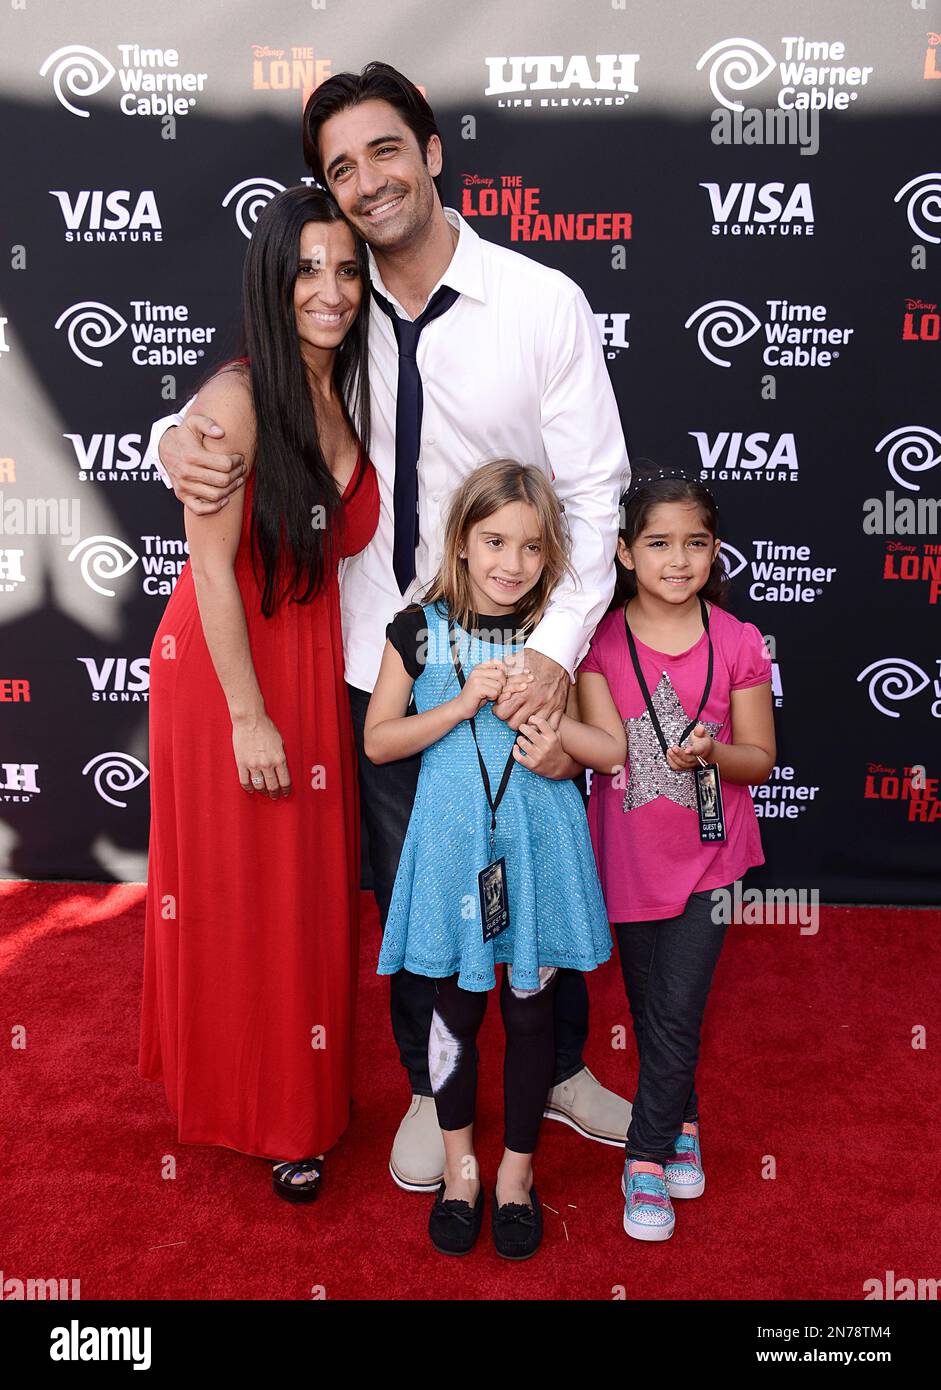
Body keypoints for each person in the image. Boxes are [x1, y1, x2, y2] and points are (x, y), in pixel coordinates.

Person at [144, 61, 632, 1194]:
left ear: (432, 152)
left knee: (541, 871)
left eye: (382, 152)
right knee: (415, 890)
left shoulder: (538, 302)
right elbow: (250, 385)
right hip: (377, 659)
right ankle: (432, 1083)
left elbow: (597, 494)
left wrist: (551, 658)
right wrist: (172, 429)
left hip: (517, 657)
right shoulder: (335, 299)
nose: (364, 183)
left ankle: (555, 1069)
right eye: (338, 169)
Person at [139, 186, 380, 1202]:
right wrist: (245, 714)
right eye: (306, 270)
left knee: (307, 895)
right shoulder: (237, 400)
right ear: (271, 282)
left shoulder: (350, 385)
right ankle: (274, 1116)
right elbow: (208, 570)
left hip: (309, 659)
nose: (329, 290)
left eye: (345, 267)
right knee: (250, 893)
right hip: (229, 669)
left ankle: (300, 1084)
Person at [365, 460, 612, 1259]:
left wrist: (558, 755)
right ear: (462, 542)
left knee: (531, 1009)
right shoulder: (415, 627)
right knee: (452, 1015)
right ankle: (459, 1166)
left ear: (551, 557)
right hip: (450, 850)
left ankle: (515, 1173)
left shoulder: (557, 638)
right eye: (495, 541)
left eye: (532, 548)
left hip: (536, 847)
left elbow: (592, 751)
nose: (512, 563)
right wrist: (461, 703)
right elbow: (377, 741)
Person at [557, 471, 775, 1240]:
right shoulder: (597, 644)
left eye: (694, 543)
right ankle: (679, 1116)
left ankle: (644, 1160)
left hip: (713, 860)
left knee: (678, 1011)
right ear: (622, 553)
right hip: (626, 859)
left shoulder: (739, 640)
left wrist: (715, 751)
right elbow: (602, 752)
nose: (677, 560)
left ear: (714, 552)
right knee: (653, 1011)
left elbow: (761, 758)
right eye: (657, 543)